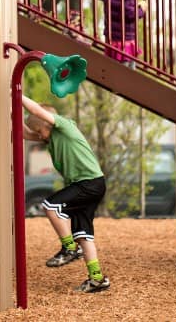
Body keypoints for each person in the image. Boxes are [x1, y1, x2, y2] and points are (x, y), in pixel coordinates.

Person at [22, 95, 110, 293]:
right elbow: (25, 134)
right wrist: (11, 111)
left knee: (50, 206)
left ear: (48, 123)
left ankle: (69, 248)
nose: (40, 136)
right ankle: (97, 279)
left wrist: (16, 94)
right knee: (84, 234)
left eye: (40, 131)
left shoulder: (65, 126)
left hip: (89, 182)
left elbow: (37, 112)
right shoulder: (50, 136)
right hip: (88, 184)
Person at [85, 0, 145, 65]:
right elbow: (131, 15)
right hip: (125, 41)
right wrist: (142, 9)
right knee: (129, 70)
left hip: (112, 41)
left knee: (116, 68)